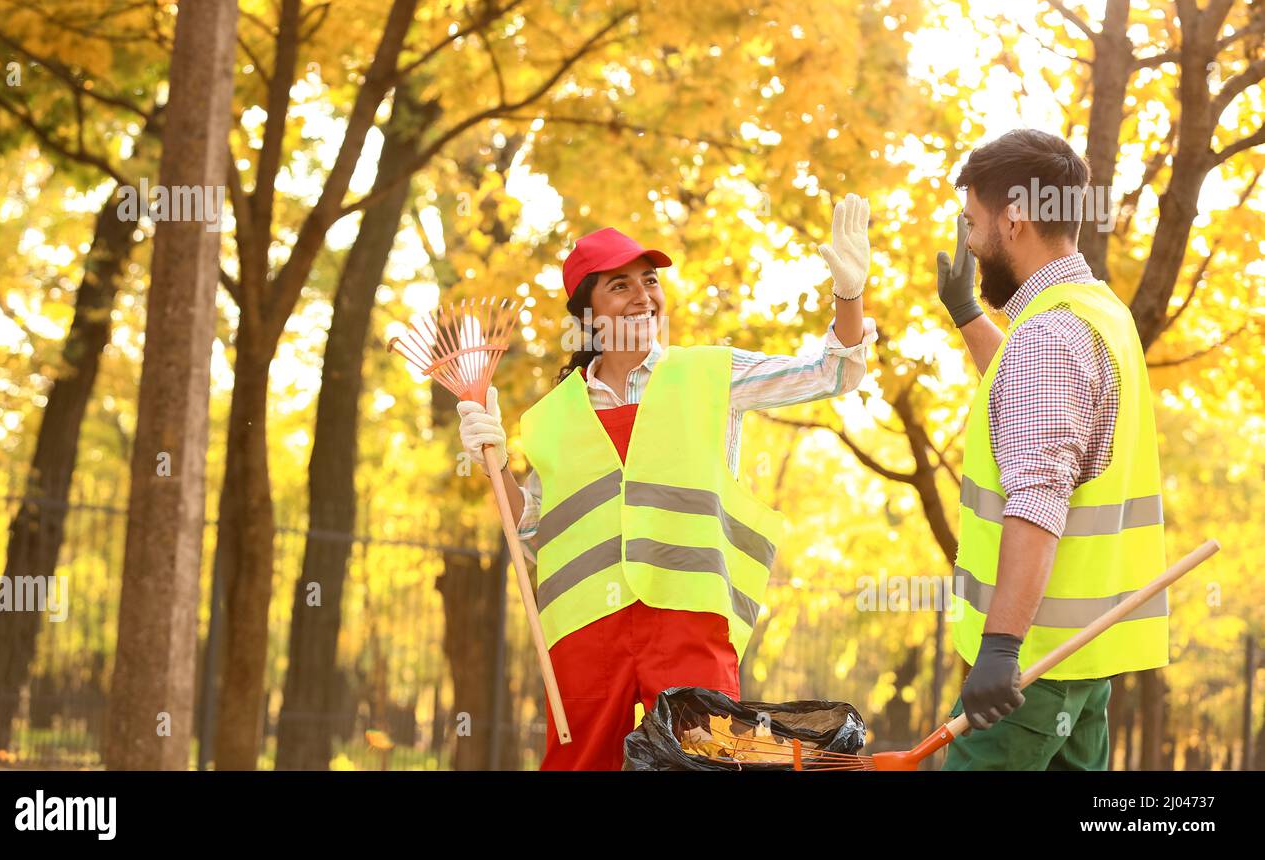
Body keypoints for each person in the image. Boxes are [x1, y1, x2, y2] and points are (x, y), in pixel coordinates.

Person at [457, 196, 877, 770]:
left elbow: (833, 371)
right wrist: (497, 464)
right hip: (585, 630)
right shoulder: (549, 417)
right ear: (588, 312)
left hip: (688, 620)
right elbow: (530, 534)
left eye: (649, 281)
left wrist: (848, 296)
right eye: (620, 286)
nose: (643, 296)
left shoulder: (711, 374)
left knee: (701, 763)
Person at [935, 129, 1168, 770]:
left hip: (1026, 675)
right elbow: (1027, 406)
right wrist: (964, 312)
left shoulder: (1047, 335)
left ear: (1014, 218)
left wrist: (1001, 648)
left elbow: (1038, 495)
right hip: (1077, 664)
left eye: (972, 223)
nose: (970, 243)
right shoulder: (1097, 314)